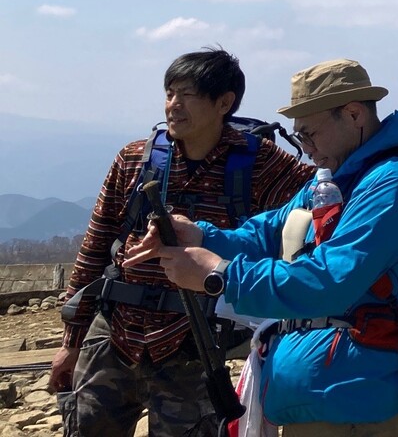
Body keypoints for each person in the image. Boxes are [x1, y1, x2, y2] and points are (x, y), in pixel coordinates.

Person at [125, 58, 398, 436]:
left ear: (353, 115)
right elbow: (270, 233)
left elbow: (329, 281)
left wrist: (219, 275)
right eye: (299, 136)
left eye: (310, 134)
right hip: (317, 394)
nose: (306, 149)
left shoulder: (391, 184)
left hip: (349, 402)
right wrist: (200, 236)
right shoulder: (338, 176)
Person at [50, 48, 314, 437]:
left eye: (186, 95)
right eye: (169, 93)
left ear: (224, 102)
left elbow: (325, 191)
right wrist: (71, 342)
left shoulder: (257, 163)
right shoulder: (135, 159)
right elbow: (95, 246)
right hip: (114, 332)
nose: (173, 105)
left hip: (193, 344)